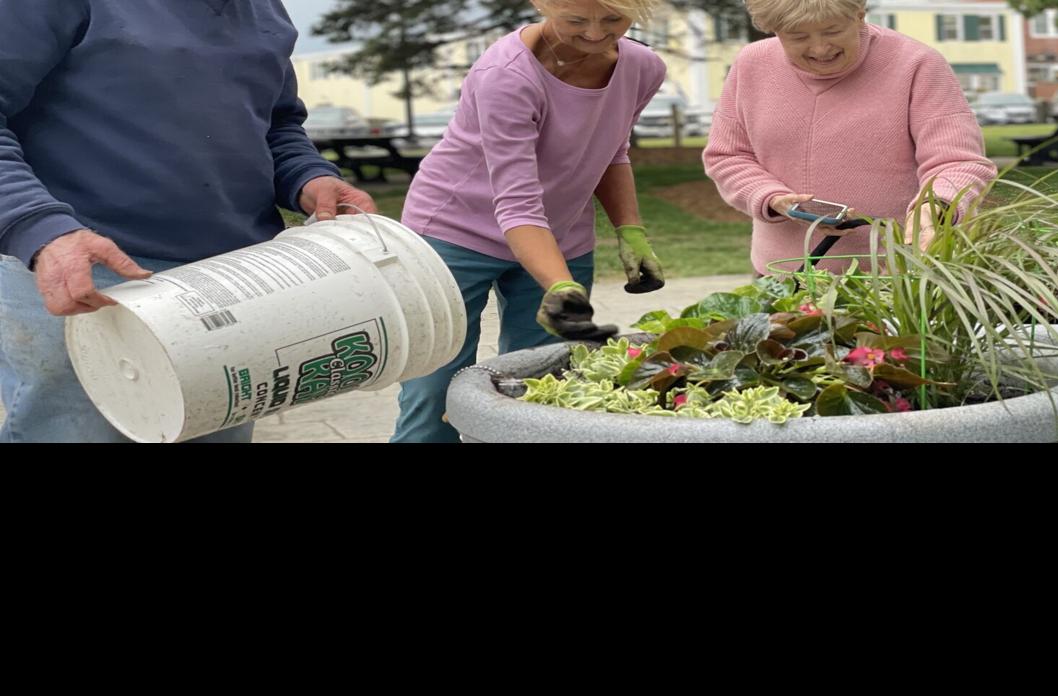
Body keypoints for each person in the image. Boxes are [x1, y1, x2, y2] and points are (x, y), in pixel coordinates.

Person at [0, 0, 376, 443]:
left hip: (234, 283)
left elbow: (276, 124)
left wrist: (309, 177)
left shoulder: (265, 10)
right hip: (86, 273)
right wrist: (38, 227)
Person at [391, 0, 669, 443]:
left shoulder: (643, 67)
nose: (596, 34)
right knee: (435, 395)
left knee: (540, 390)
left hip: (560, 236)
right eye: (576, 20)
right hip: (454, 233)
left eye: (613, 19)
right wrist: (560, 286)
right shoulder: (506, 75)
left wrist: (630, 231)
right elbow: (517, 204)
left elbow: (611, 152)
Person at [703, 0, 996, 275]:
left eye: (832, 31)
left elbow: (957, 162)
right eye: (798, 36)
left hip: (896, 278)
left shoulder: (918, 64)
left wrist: (935, 208)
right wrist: (773, 198)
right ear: (774, 30)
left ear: (859, 15)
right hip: (782, 273)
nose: (820, 48)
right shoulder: (751, 64)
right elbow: (727, 156)